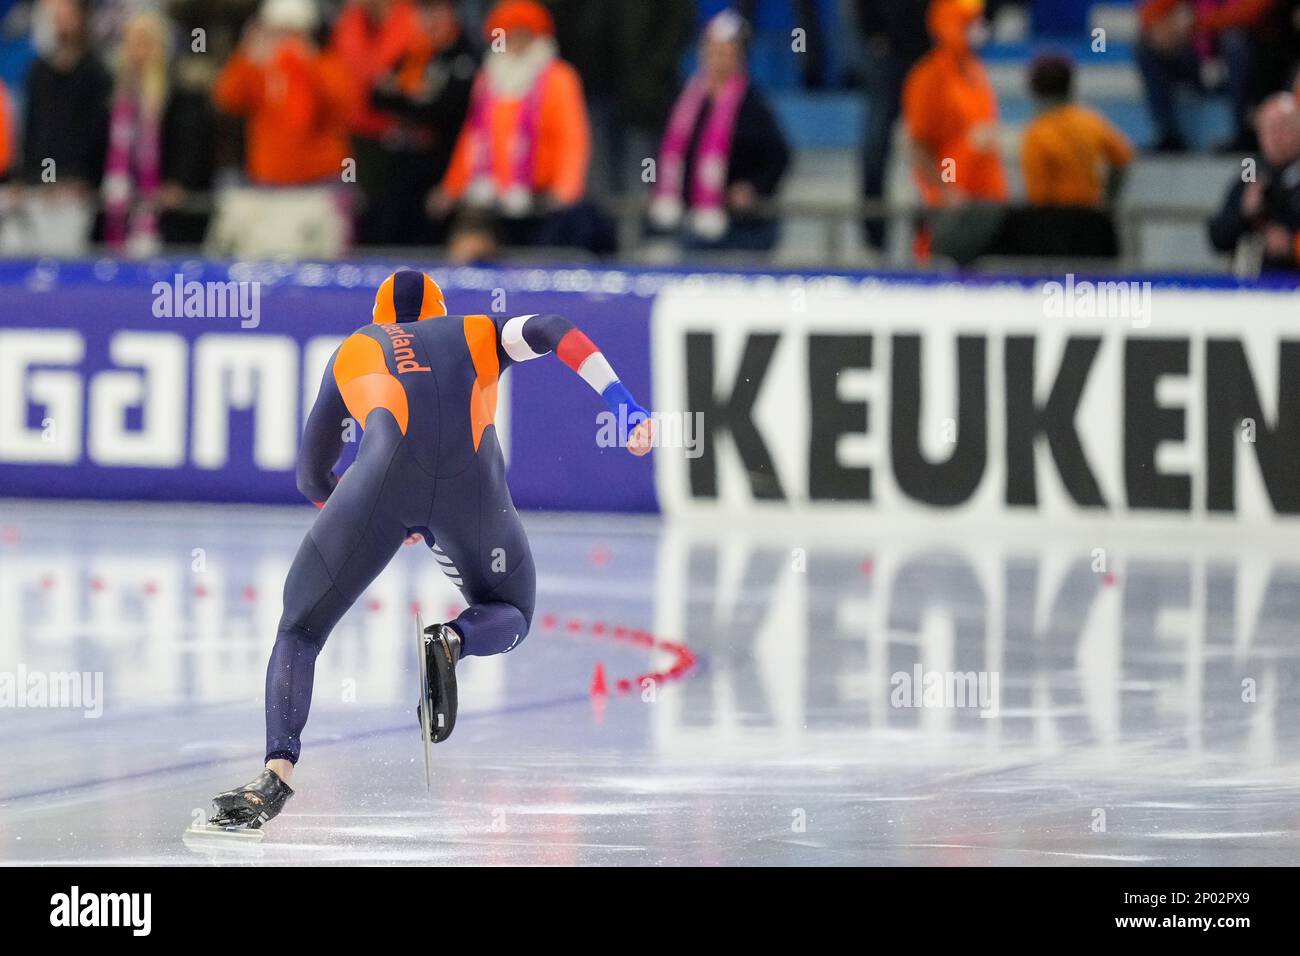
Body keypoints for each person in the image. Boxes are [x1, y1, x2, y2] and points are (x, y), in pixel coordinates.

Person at [204, 271, 656, 830]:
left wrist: (368, 515)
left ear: (380, 316)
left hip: (378, 487)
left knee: (300, 630)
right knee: (513, 611)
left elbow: (310, 476)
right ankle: (454, 638)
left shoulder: (355, 348)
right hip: (473, 490)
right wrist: (624, 404)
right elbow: (554, 329)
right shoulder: (474, 332)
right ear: (440, 311)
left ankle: (276, 773)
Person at [430, 0, 609, 252]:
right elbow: (472, 138)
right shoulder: (488, 78)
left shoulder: (559, 78)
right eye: (509, 34)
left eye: (523, 34)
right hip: (492, 198)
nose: (515, 42)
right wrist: (452, 186)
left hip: (541, 199)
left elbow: (573, 139)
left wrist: (566, 189)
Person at [646, 10, 790, 251]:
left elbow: (778, 156)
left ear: (738, 57)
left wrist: (753, 188)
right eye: (712, 51)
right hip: (682, 214)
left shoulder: (751, 104)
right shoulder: (685, 98)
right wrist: (654, 184)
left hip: (734, 221)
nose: (717, 59)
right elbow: (662, 148)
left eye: (725, 53)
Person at [901, 0, 1007, 260]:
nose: (978, 28)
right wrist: (946, 191)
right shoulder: (928, 78)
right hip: (952, 208)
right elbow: (919, 146)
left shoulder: (975, 71)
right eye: (970, 23)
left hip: (987, 198)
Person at [367, 0, 478, 244]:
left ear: (451, 13)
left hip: (442, 170)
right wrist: (415, 97)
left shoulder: (465, 55)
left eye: (436, 10)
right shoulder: (416, 52)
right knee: (387, 235)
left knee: (429, 245)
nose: (429, 19)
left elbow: (447, 109)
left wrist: (404, 94)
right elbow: (375, 96)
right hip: (403, 168)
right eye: (423, 12)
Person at [17, 0, 112, 255]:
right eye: (55, 17)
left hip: (75, 190)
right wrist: (27, 177)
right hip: (38, 187)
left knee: (66, 258)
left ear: (82, 19)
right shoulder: (38, 71)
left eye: (66, 16)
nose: (60, 23)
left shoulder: (96, 73)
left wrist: (83, 179)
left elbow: (97, 134)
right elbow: (32, 129)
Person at [1138, 0, 1276, 153]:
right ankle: (1168, 135)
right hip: (1198, 59)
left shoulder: (1200, 23)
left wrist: (1198, 24)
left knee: (1235, 42)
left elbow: (1249, 14)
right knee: (1148, 47)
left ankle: (1245, 134)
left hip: (1248, 60)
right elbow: (1149, 14)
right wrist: (1163, 26)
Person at [856, 0, 931, 252]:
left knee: (935, 152)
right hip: (887, 57)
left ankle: (930, 233)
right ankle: (874, 236)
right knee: (873, 150)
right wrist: (873, 35)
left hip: (928, 57)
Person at [1021, 53, 1134, 208]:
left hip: (1057, 218)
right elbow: (1123, 156)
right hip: (1091, 212)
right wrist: (1109, 198)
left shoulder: (1037, 134)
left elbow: (1038, 194)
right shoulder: (1090, 120)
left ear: (1034, 90)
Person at [1208, 92, 1300, 272]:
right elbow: (1218, 237)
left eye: (1281, 129)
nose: (1274, 137)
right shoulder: (1251, 174)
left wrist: (1292, 245)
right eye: (1267, 129)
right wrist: (1244, 211)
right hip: (1252, 287)